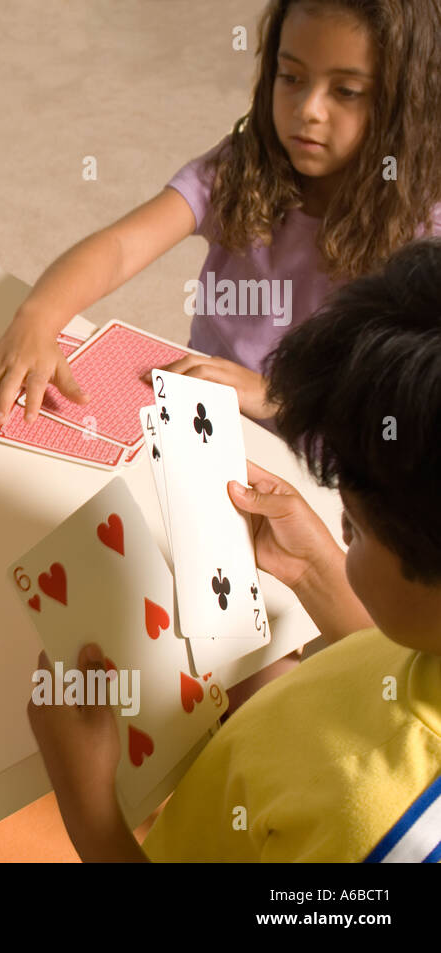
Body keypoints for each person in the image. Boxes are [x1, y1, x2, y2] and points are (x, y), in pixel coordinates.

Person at [28, 237, 441, 862]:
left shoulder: (376, 837)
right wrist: (317, 568)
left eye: (351, 529)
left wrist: (90, 810)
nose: (342, 537)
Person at [0, 0, 441, 429]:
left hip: (323, 454)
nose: (307, 110)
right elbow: (119, 247)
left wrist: (275, 397)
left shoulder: (424, 232)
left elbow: (401, 404)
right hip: (200, 417)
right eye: (291, 77)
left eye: (346, 91)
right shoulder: (243, 165)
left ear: (405, 103)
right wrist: (37, 316)